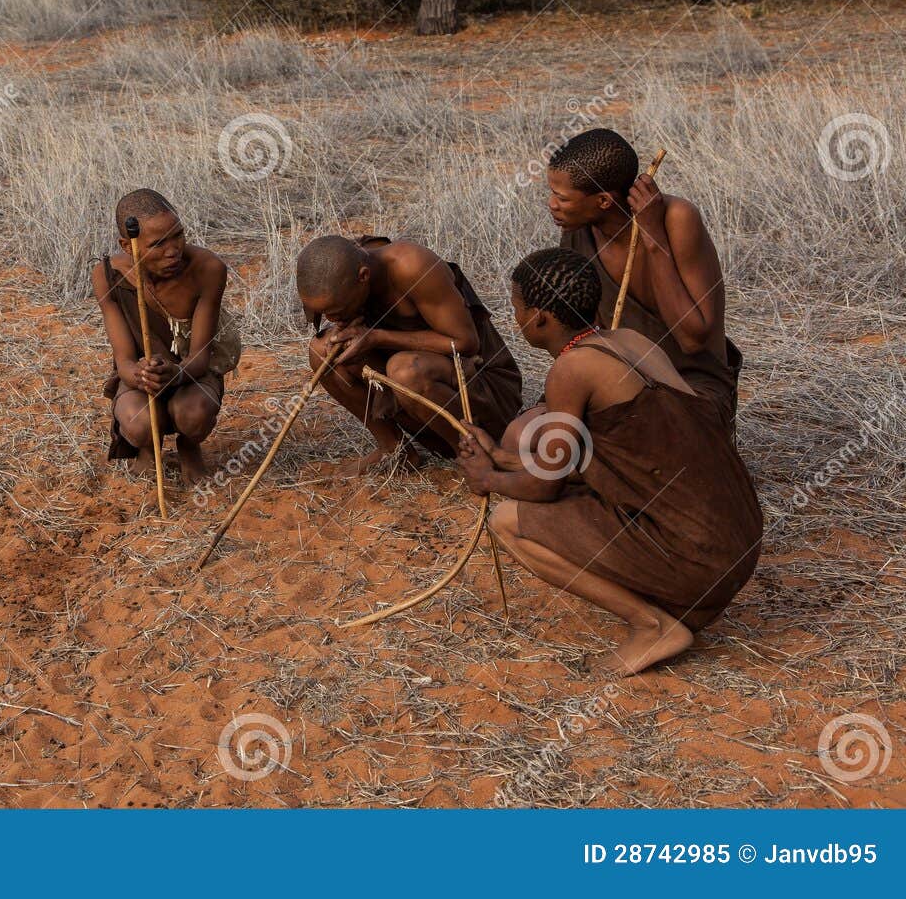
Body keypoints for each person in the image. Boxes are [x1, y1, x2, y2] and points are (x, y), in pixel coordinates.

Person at [457, 248, 763, 678]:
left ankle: (652, 625)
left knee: (507, 522)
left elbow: (547, 486)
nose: (515, 317)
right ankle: (669, 601)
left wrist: (486, 478)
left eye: (517, 308)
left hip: (701, 558)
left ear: (540, 318)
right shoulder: (631, 341)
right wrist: (504, 457)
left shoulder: (571, 369)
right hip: (740, 541)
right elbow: (621, 452)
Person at [545, 127, 742, 429]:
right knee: (525, 433)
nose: (552, 204)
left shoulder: (676, 219)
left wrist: (652, 237)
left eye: (561, 198)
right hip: (618, 382)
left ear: (603, 201)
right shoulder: (578, 231)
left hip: (691, 391)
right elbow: (581, 334)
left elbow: (692, 338)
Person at [296, 234, 521, 472]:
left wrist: (376, 337)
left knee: (404, 371)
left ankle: (474, 456)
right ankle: (394, 450)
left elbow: (465, 343)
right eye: (324, 313)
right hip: (422, 394)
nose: (331, 319)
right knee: (321, 350)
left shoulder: (412, 267)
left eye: (337, 312)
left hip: (486, 390)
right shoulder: (333, 278)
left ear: (363, 277)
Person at [92, 189, 241, 483]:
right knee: (139, 423)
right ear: (127, 244)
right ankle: (149, 448)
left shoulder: (207, 269)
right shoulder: (107, 276)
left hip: (192, 374)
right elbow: (123, 360)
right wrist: (140, 375)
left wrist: (175, 373)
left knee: (193, 414)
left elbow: (200, 356)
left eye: (178, 236)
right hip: (140, 379)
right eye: (158, 244)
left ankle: (189, 446)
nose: (173, 250)